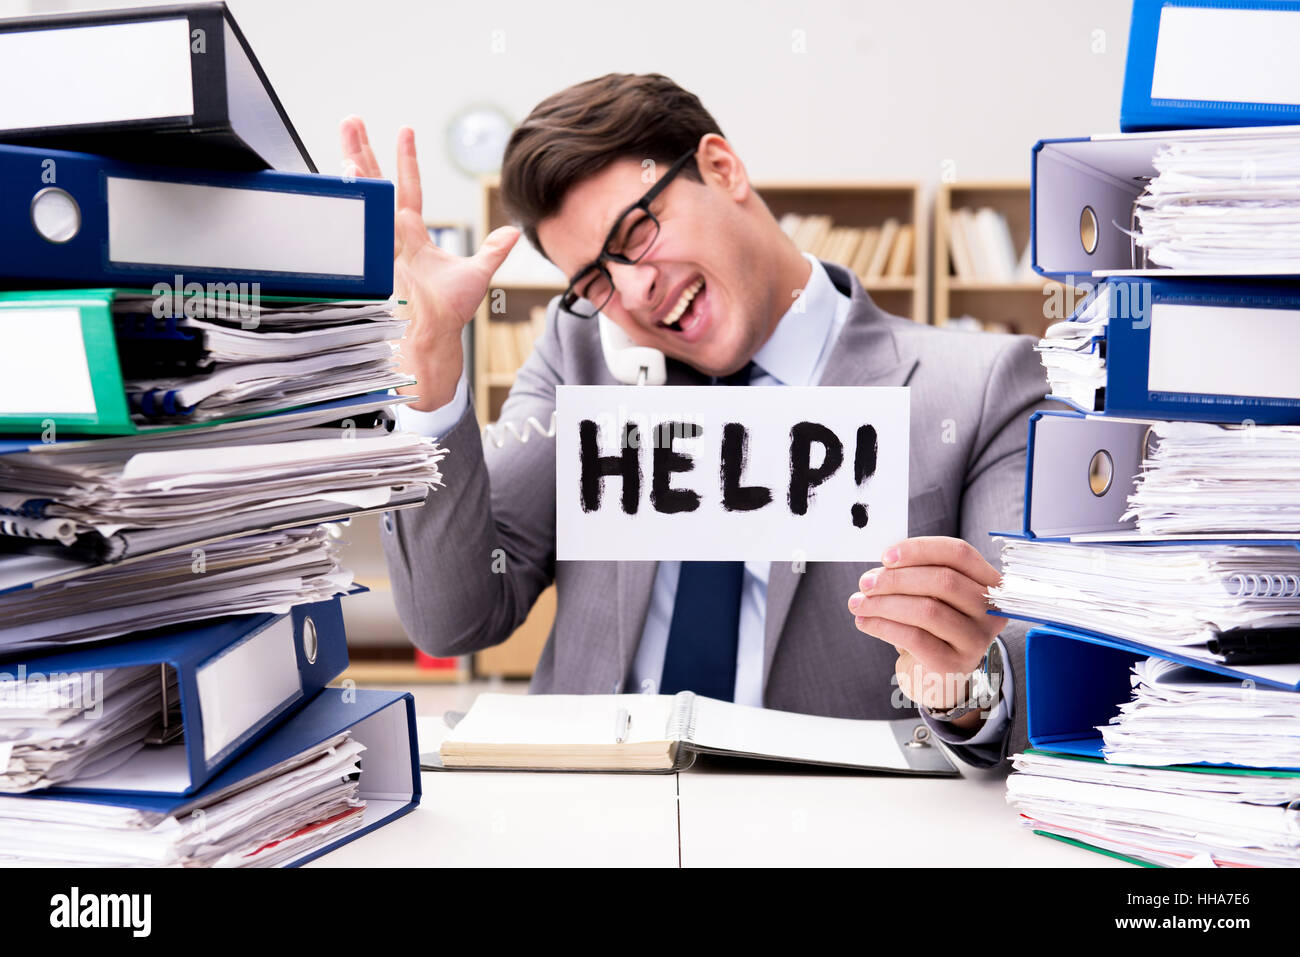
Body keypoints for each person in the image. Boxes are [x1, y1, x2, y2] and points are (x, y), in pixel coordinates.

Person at [341, 73, 1056, 767]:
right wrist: (430, 367)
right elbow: (456, 617)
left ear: (721, 167)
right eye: (594, 280)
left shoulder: (980, 388)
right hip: (583, 821)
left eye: (637, 231)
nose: (632, 291)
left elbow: (1031, 691)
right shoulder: (580, 355)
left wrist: (964, 682)